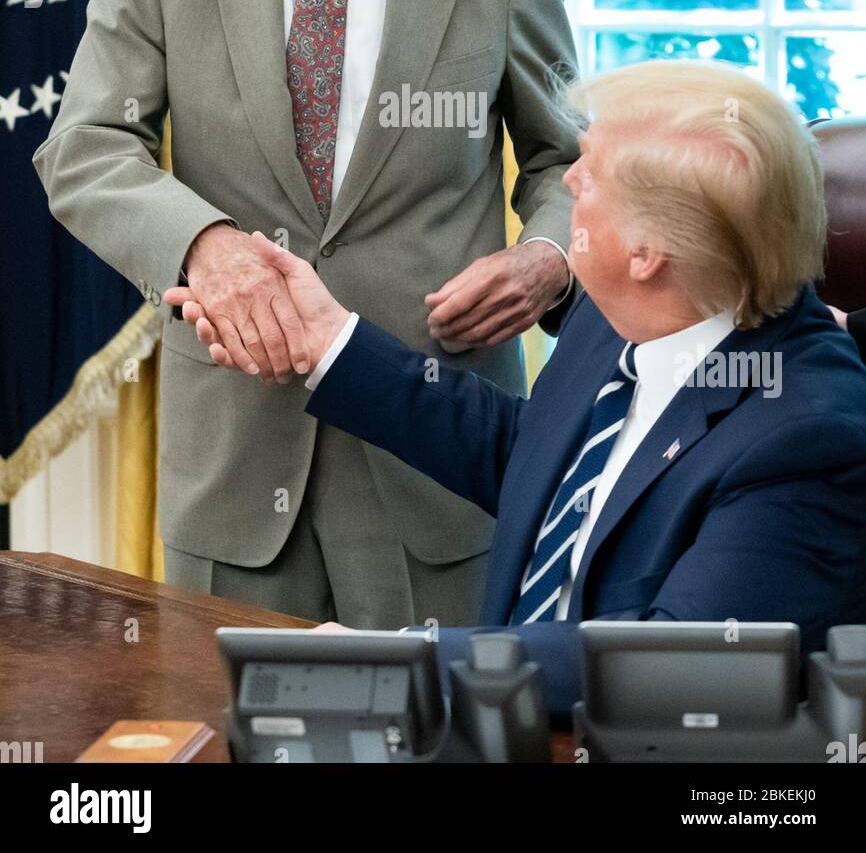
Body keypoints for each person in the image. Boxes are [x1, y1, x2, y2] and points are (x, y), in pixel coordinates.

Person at [33, 0, 580, 629]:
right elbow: (85, 148)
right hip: (238, 461)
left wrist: (547, 254)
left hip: (438, 456)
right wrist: (205, 246)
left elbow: (567, 158)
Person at [169, 59, 866, 719]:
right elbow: (536, 459)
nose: (567, 184)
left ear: (647, 252)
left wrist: (394, 660)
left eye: (590, 174)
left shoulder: (807, 433)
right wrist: (329, 343)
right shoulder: (621, 312)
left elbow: (684, 660)